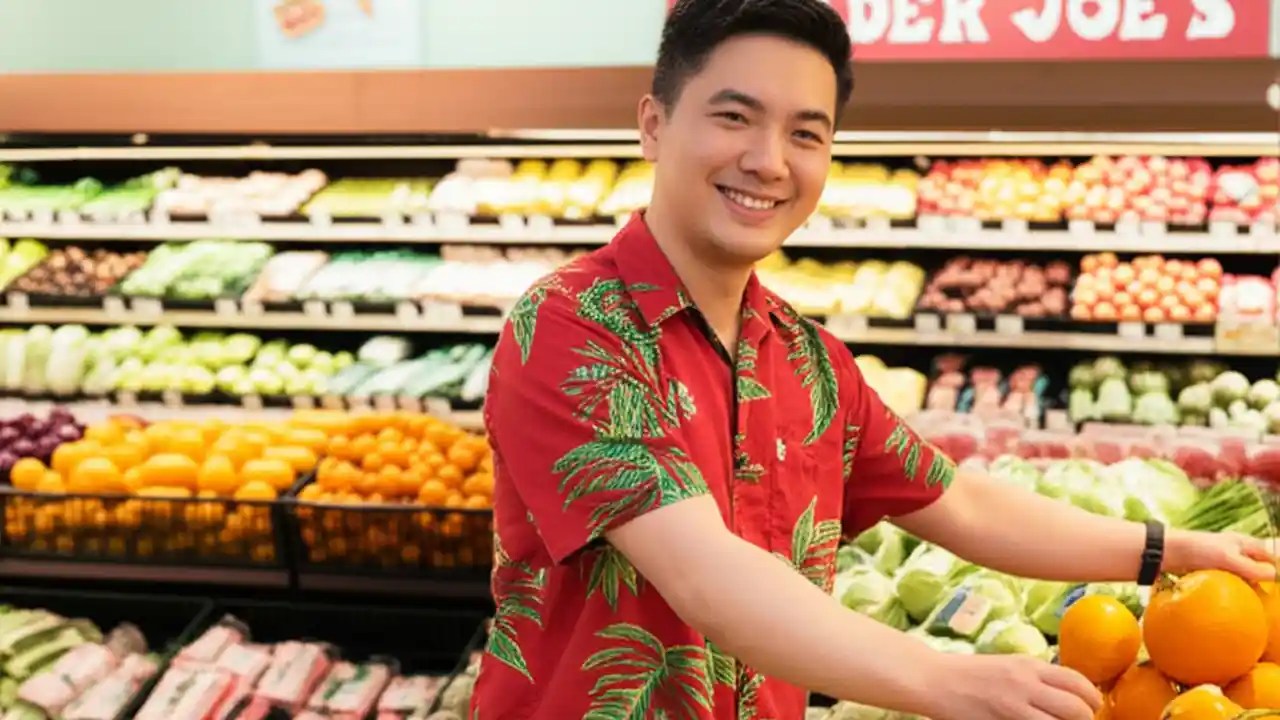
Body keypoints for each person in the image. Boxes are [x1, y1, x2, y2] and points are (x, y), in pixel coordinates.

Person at [470, 1, 1278, 718]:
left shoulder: (809, 359)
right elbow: (705, 576)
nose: (768, 160)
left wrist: (1167, 550)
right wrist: (944, 679)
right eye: (734, 117)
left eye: (806, 133)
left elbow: (959, 505)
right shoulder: (574, 327)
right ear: (653, 124)